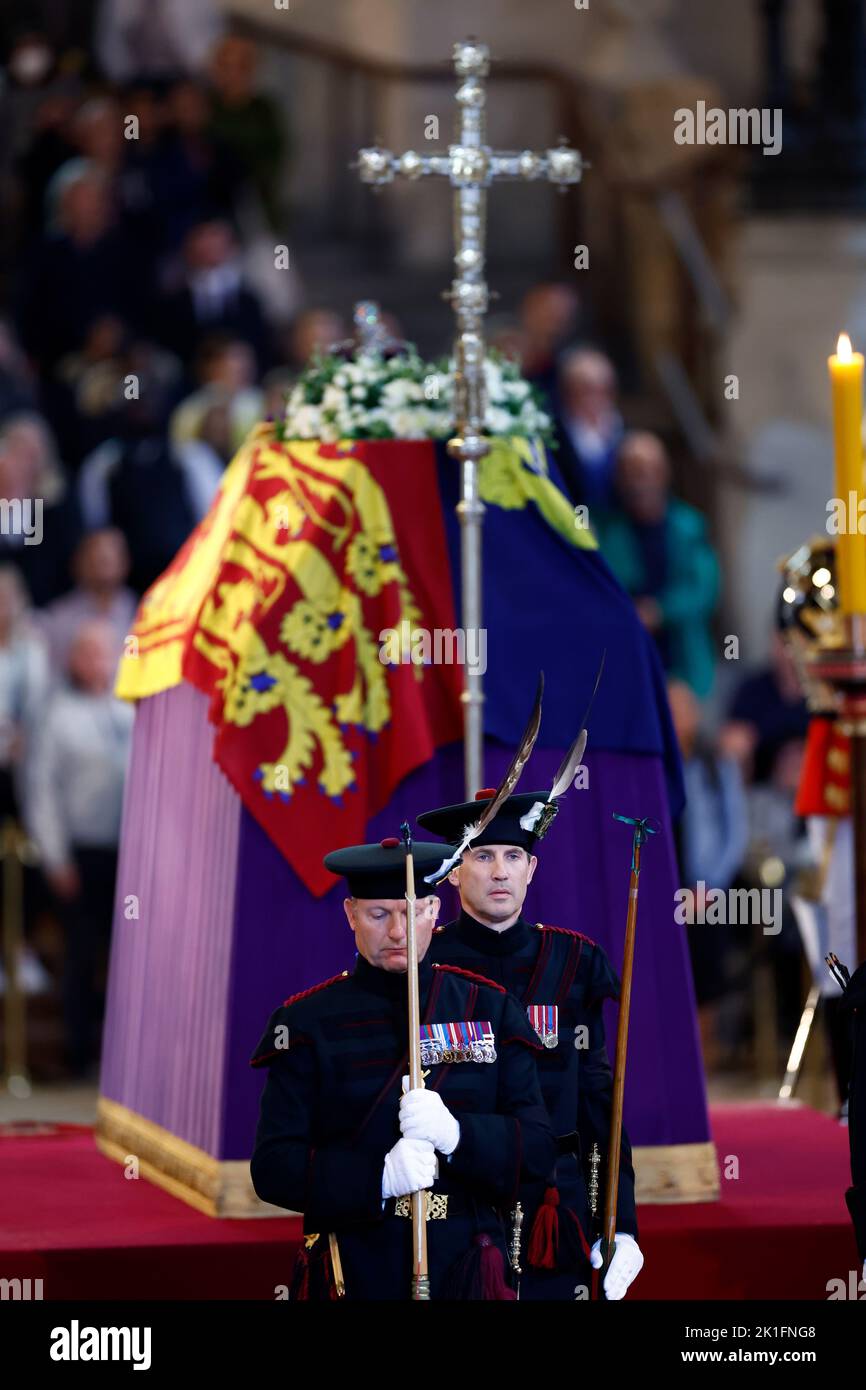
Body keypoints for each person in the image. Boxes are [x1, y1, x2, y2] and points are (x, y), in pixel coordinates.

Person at [249, 837, 555, 1301]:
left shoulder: (489, 1008)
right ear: (350, 914)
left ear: (434, 911)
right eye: (379, 915)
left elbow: (536, 1148)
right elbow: (273, 1168)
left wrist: (458, 1135)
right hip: (355, 1267)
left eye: (411, 912)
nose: (398, 932)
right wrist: (377, 1177)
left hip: (469, 1268)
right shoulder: (306, 1023)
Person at [419, 788, 643, 1301]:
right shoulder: (422, 968)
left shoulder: (573, 962)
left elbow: (599, 1101)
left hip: (554, 1209)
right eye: (483, 856)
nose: (500, 871)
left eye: (513, 856)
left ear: (531, 870)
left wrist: (622, 1222)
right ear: (454, 871)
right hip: (455, 1206)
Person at [25, 619, 134, 1075]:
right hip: (80, 855)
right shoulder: (56, 714)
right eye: (89, 653)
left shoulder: (131, 710)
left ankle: (126, 1055)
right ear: (73, 659)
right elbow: (41, 790)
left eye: (106, 652)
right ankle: (79, 1052)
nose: (98, 662)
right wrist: (56, 858)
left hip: (129, 854)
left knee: (129, 957)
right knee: (82, 953)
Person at [593, 431, 720, 698]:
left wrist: (659, 611)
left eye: (650, 471)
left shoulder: (688, 527)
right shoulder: (607, 532)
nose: (641, 481)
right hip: (626, 662)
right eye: (633, 471)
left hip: (681, 661)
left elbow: (704, 590)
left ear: (664, 474)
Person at [37, 528, 138, 679]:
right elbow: (52, 676)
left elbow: (136, 662)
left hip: (125, 697)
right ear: (79, 564)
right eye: (94, 560)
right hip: (75, 699)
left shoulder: (139, 610)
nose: (102, 569)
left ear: (125, 563)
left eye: (107, 560)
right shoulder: (59, 618)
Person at [553, 348, 624, 510]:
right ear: (568, 393)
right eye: (587, 390)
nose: (597, 399)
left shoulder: (622, 430)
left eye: (604, 390)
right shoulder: (554, 436)